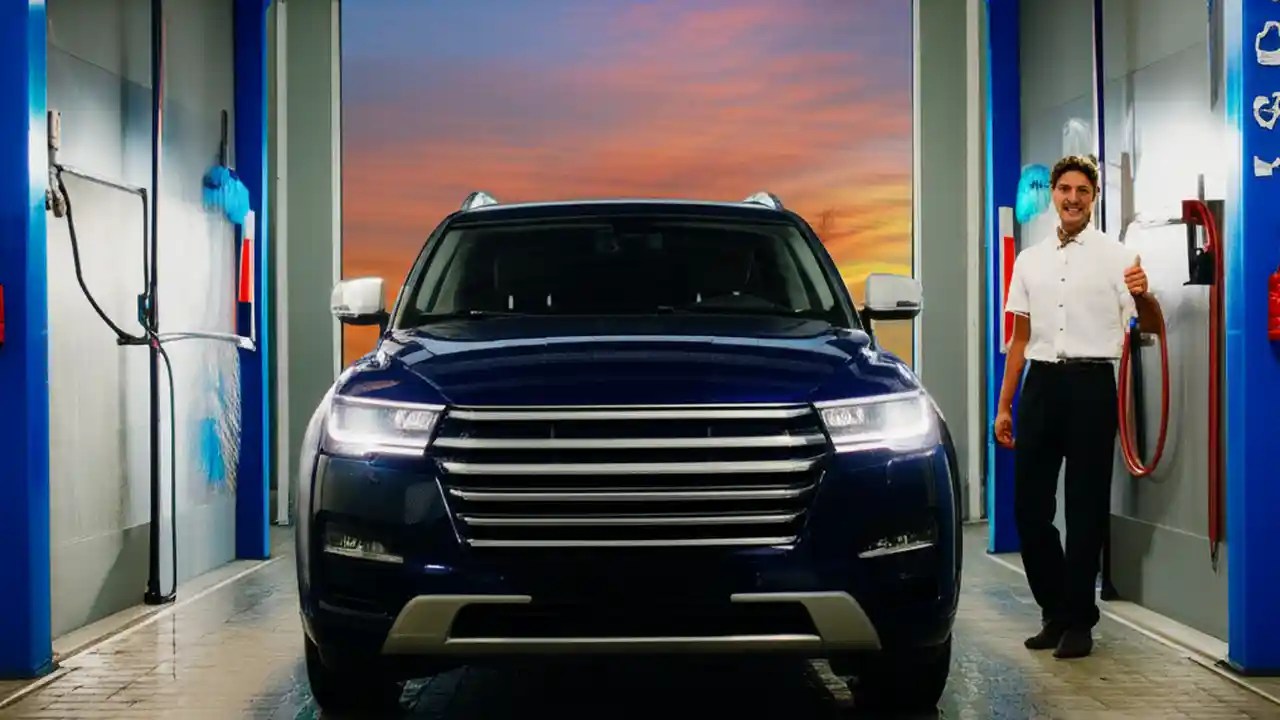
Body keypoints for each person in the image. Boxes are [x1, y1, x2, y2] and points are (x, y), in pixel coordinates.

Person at [994, 154, 1162, 659]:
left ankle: (1080, 623)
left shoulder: (1117, 257)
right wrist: (1005, 406)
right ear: (1054, 194)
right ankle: (1056, 611)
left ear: (1094, 199)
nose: (1072, 199)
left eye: (1082, 192)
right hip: (1040, 388)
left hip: (1092, 386)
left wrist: (1146, 294)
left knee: (1085, 509)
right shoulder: (1030, 261)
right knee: (1030, 510)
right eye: (1064, 189)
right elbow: (1020, 341)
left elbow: (1149, 325)